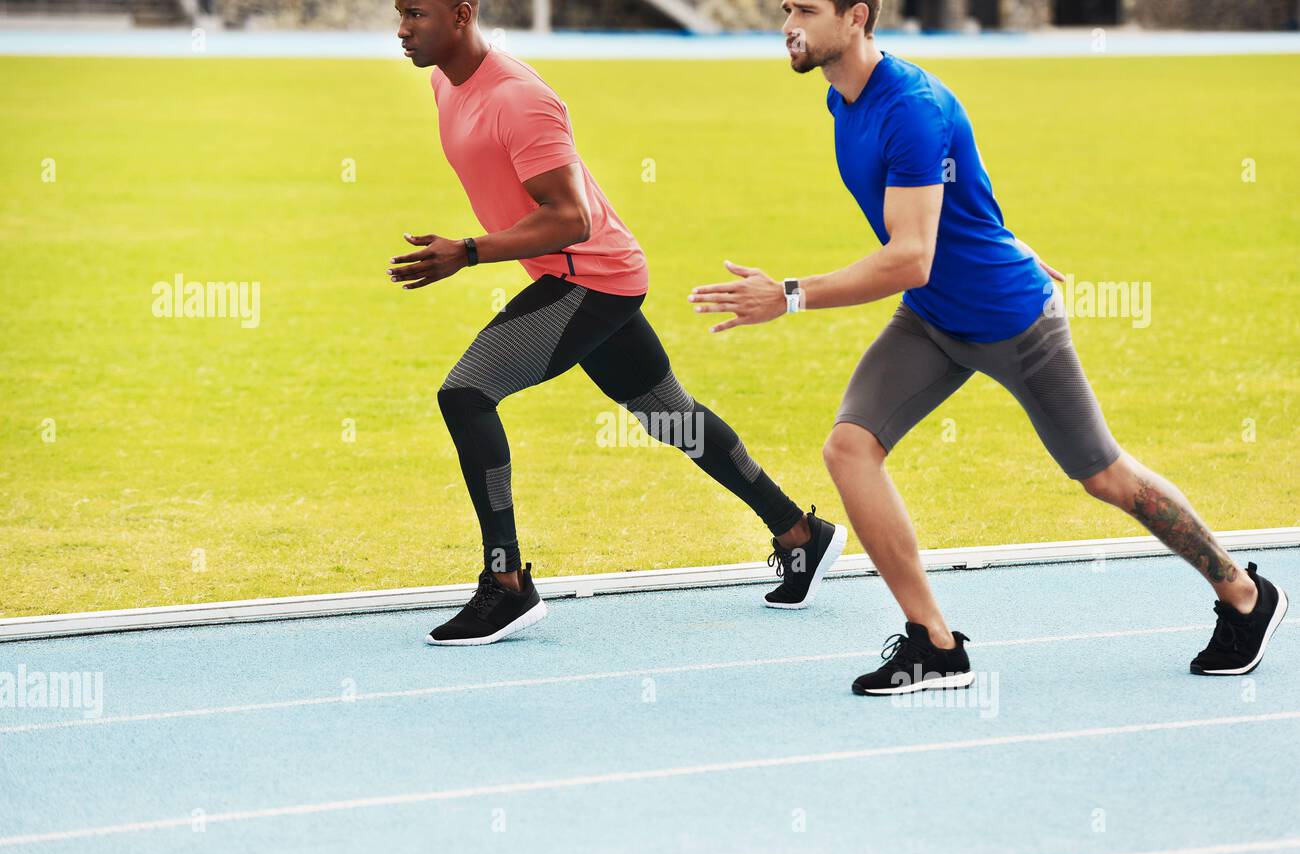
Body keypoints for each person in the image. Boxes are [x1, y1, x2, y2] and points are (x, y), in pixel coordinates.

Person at [688, 0, 1287, 694]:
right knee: (849, 449)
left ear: (856, 17)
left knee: (1104, 475)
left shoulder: (909, 106)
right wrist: (1001, 236)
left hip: (1013, 323)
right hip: (934, 320)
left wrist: (788, 294)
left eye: (806, 9)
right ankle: (934, 644)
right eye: (786, 7)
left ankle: (1246, 594)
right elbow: (954, 194)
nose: (788, 22)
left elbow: (910, 255)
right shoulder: (840, 99)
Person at [392, 0, 847, 646]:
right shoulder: (445, 81)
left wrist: (466, 252)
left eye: (417, 13)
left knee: (465, 394)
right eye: (398, 13)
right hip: (591, 277)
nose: (403, 28)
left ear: (463, 14)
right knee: (674, 418)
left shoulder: (519, 100)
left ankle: (508, 585)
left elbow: (572, 218)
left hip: (590, 279)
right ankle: (800, 535)